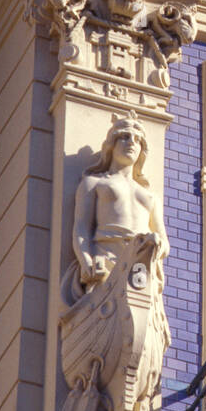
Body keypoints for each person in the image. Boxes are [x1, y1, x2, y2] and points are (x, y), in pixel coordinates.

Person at [72, 115, 169, 292]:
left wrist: (155, 244)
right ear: (111, 145)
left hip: (139, 262)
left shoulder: (150, 196)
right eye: (125, 137)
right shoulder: (93, 183)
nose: (131, 142)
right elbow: (81, 229)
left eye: (137, 140)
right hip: (106, 257)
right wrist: (86, 261)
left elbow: (163, 240)